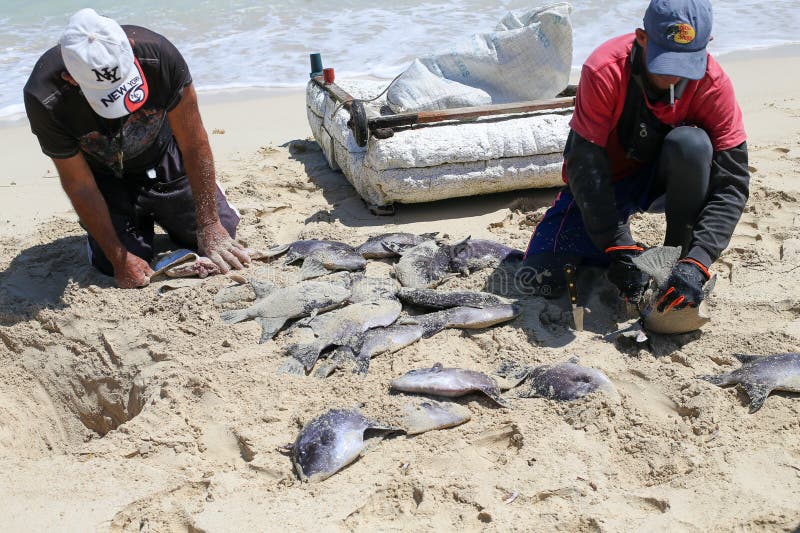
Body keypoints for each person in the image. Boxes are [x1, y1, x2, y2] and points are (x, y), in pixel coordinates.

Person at [516, 0, 748, 313]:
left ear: (707, 45)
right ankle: (627, 250)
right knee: (542, 276)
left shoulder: (713, 84)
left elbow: (732, 184)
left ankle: (676, 255)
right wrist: (616, 242)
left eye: (684, 66)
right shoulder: (604, 69)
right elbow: (584, 165)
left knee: (692, 145)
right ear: (642, 37)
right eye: (664, 62)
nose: (672, 77)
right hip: (606, 180)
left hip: (670, 181)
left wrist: (699, 260)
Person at [23, 8, 250, 288]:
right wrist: (119, 259)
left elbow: (193, 142)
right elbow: (80, 184)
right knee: (111, 265)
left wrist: (209, 223)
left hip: (164, 157)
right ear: (71, 77)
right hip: (104, 178)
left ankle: (209, 202)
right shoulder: (45, 98)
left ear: (130, 47)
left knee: (221, 233)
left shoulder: (159, 55)